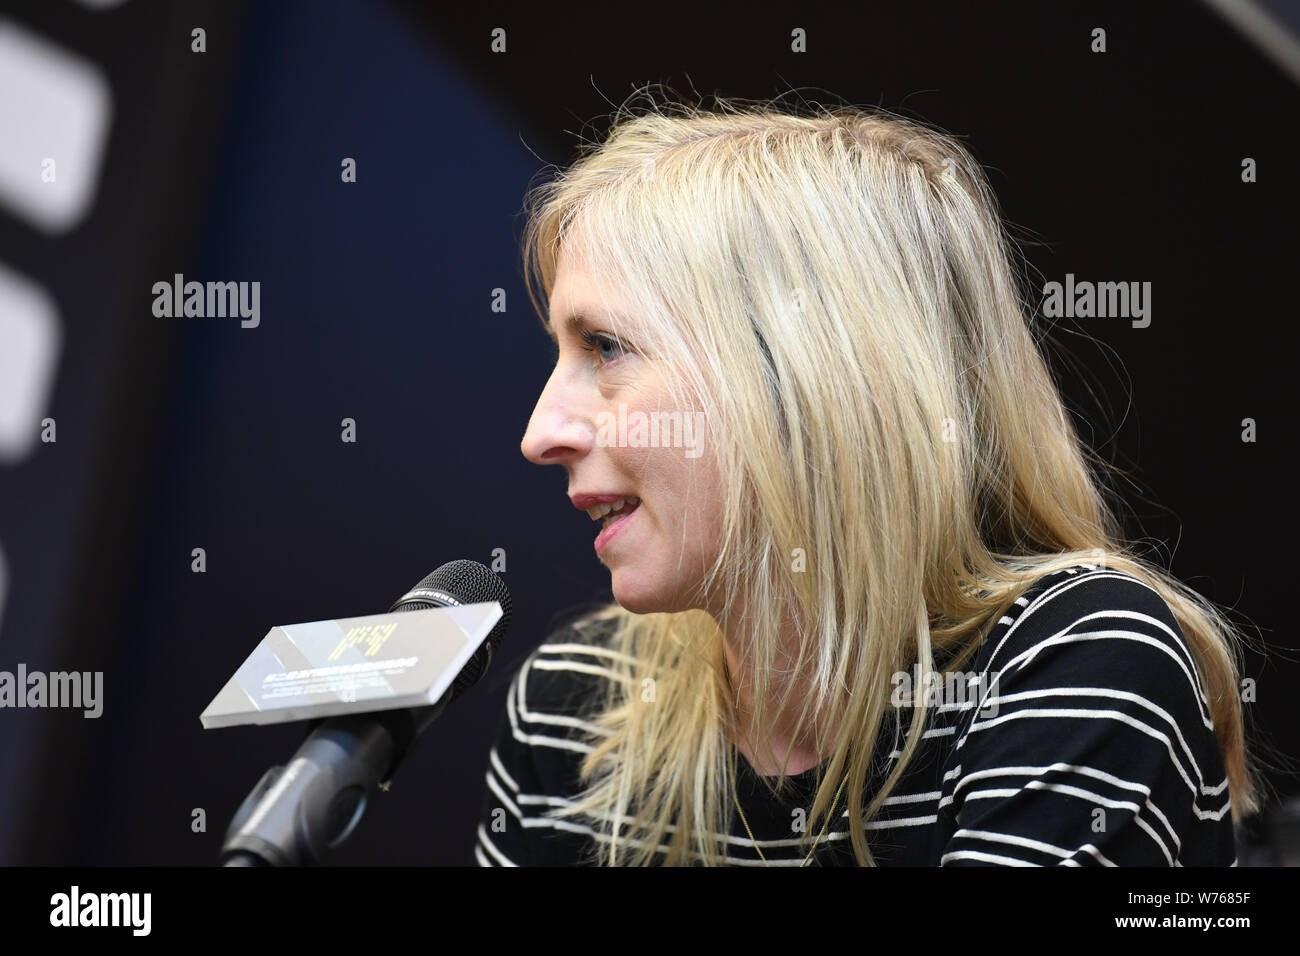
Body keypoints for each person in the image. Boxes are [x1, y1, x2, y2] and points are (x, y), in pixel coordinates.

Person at [475, 96, 1259, 866]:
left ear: (809, 377)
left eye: (606, 348)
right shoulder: (575, 703)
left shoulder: (1076, 663)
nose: (541, 434)